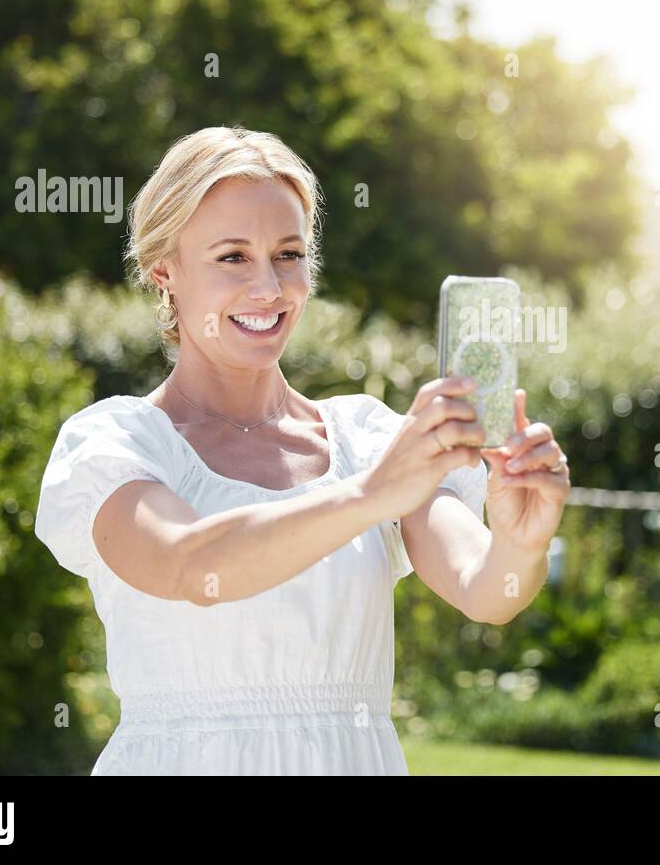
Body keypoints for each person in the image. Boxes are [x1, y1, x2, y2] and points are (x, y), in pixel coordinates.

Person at [33, 126, 570, 775]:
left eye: (288, 254)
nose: (269, 288)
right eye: (232, 257)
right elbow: (188, 566)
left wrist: (521, 540)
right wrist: (369, 495)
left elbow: (487, 593)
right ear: (164, 272)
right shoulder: (117, 445)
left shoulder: (369, 440)